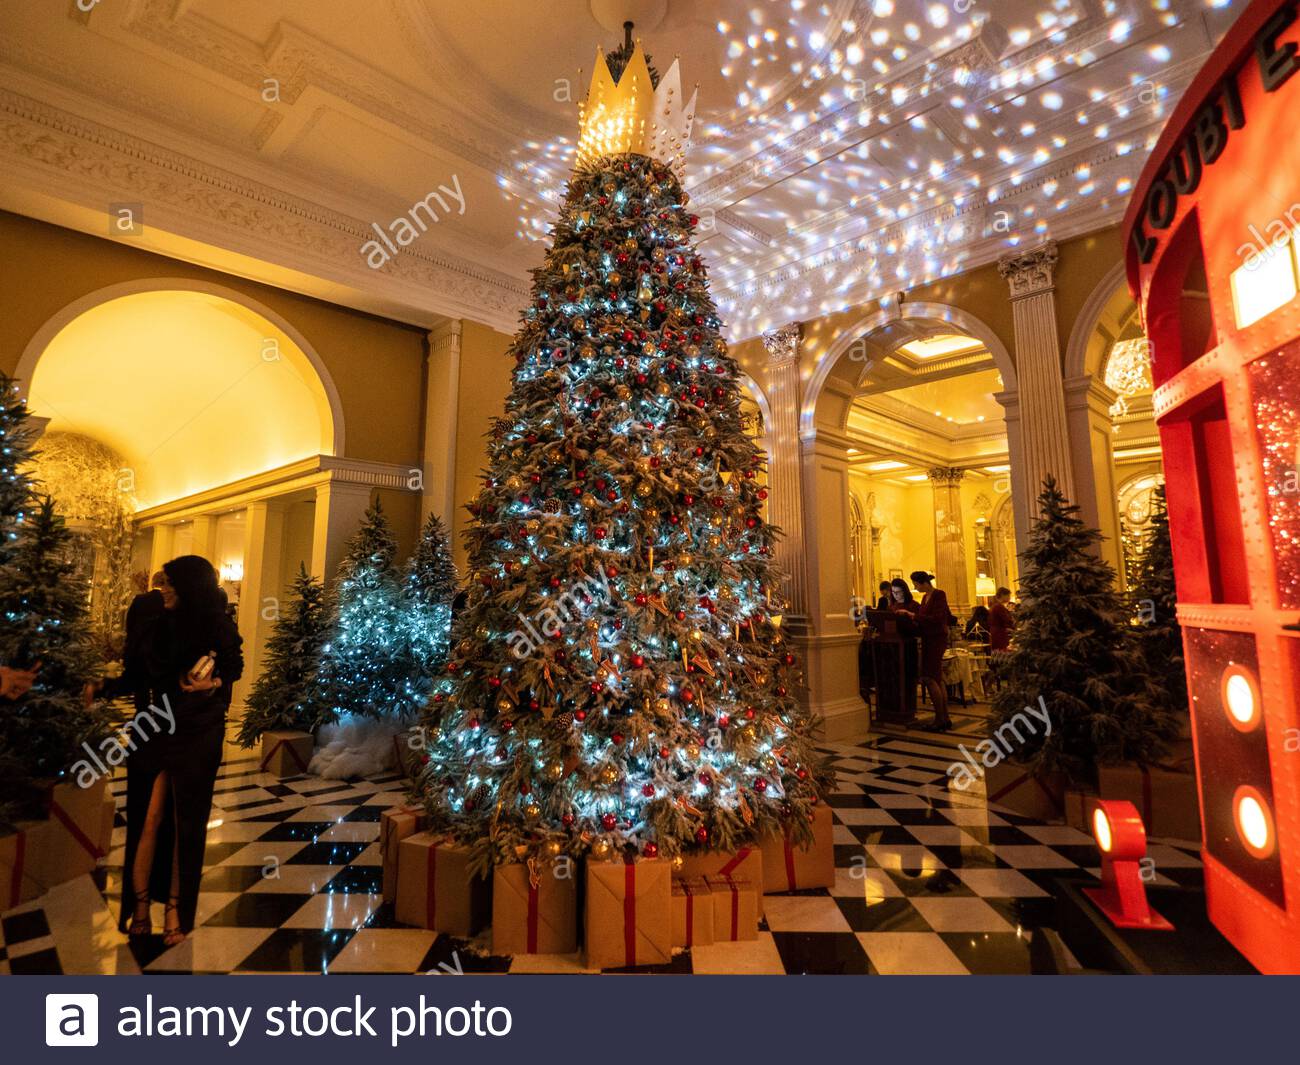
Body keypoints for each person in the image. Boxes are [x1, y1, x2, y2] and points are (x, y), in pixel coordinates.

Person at [117, 556, 242, 947]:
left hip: (199, 730)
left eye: (170, 583)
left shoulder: (217, 623)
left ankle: (174, 909)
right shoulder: (155, 620)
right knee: (148, 815)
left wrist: (212, 683)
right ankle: (138, 907)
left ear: (190, 586)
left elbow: (234, 667)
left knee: (187, 821)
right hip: (156, 726)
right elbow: (138, 674)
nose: (163, 588)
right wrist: (103, 689)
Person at [896, 571, 954, 732]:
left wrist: (911, 615)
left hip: (936, 639)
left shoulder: (938, 595)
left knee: (929, 678)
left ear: (923, 583)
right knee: (937, 678)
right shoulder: (924, 598)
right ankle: (944, 718)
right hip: (928, 638)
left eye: (915, 584)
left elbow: (937, 618)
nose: (914, 587)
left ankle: (939, 719)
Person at [989, 586, 1016, 653]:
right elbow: (1006, 619)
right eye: (1008, 595)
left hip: (996, 631)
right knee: (1001, 651)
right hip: (999, 633)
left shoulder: (995, 606)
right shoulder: (998, 607)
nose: (1009, 598)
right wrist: (1013, 626)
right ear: (1002, 595)